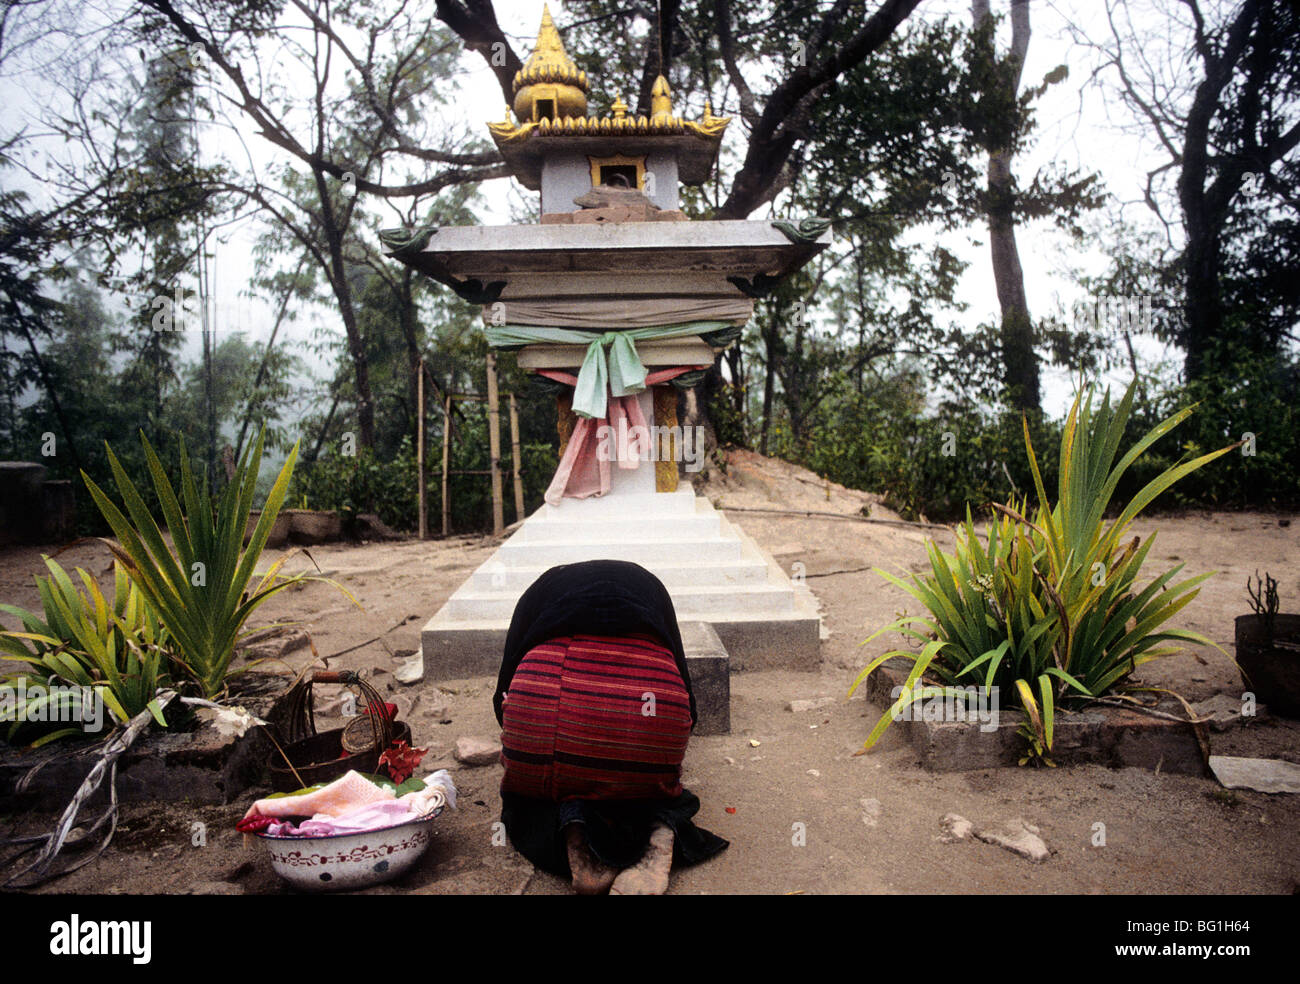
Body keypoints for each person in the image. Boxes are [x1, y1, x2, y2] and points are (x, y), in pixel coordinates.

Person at [494, 559, 728, 894]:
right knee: (656, 787)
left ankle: (572, 824)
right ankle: (659, 828)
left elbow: (503, 692)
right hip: (649, 708)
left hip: (542, 709)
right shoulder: (651, 586)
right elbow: (689, 706)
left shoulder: (539, 591)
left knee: (527, 795)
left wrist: (521, 739)